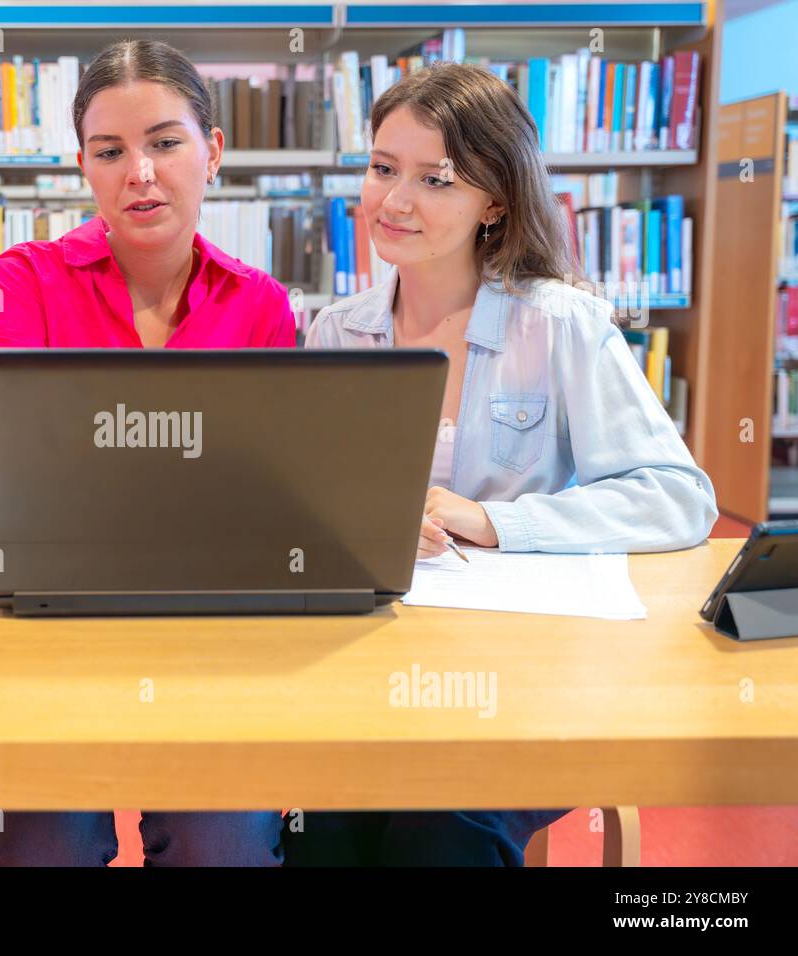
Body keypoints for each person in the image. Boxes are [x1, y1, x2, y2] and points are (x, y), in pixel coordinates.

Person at [284, 62, 719, 866]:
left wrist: (493, 521)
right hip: (379, 670)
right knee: (324, 827)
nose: (395, 200)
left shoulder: (559, 324)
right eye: (383, 169)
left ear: (495, 200)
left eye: (435, 179)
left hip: (531, 675)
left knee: (443, 832)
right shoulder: (335, 332)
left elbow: (677, 498)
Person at [0, 39, 295, 866]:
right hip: (49, 623)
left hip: (210, 627)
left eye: (164, 142)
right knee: (40, 843)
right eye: (110, 152)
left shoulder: (259, 305)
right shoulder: (25, 278)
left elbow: (273, 496)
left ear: (212, 152)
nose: (139, 173)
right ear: (84, 165)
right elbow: (13, 477)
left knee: (228, 843)